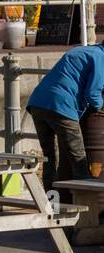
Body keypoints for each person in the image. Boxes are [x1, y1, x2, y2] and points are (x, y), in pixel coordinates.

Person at [26, 43, 104, 197]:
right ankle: (86, 207)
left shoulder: (81, 50)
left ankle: (51, 205)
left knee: (50, 158)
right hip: (61, 105)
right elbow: (93, 93)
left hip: (37, 102)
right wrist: (101, 108)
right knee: (79, 159)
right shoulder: (100, 57)